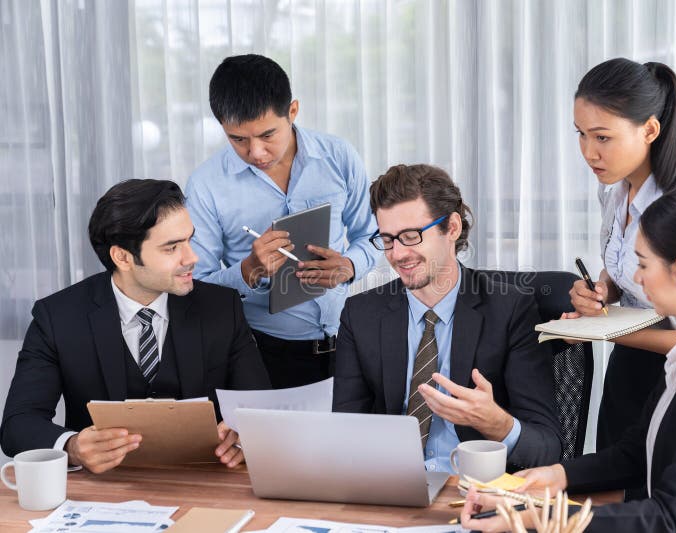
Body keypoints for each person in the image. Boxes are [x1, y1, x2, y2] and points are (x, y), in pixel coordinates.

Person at [461, 187, 676, 532]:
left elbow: (669, 518)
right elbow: (635, 454)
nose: (635, 278)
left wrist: (541, 517)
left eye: (642, 263)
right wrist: (557, 476)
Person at [0, 179, 272, 473]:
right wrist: (73, 446)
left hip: (208, 483)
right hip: (100, 492)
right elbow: (18, 425)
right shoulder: (57, 316)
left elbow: (260, 410)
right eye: (172, 248)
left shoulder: (223, 307)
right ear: (123, 257)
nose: (192, 258)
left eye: (189, 240)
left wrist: (245, 438)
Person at [333, 164, 561, 471]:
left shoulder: (510, 310)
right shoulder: (360, 314)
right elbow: (346, 435)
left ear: (452, 228)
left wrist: (497, 423)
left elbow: (547, 449)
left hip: (475, 492)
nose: (397, 254)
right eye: (387, 239)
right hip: (389, 489)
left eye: (411, 236)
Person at [186, 54, 378, 389]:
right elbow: (195, 286)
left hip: (349, 344)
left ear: (292, 111)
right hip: (262, 353)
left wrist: (350, 265)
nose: (256, 152)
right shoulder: (205, 185)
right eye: (238, 139)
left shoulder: (339, 156)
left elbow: (373, 233)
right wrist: (249, 271)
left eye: (267, 134)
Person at [569, 58, 676, 452]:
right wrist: (601, 292)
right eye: (581, 135)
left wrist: (609, 330)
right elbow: (623, 267)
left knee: (655, 499)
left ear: (649, 129)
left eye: (602, 137)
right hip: (628, 366)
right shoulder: (614, 192)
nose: (589, 152)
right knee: (614, 486)